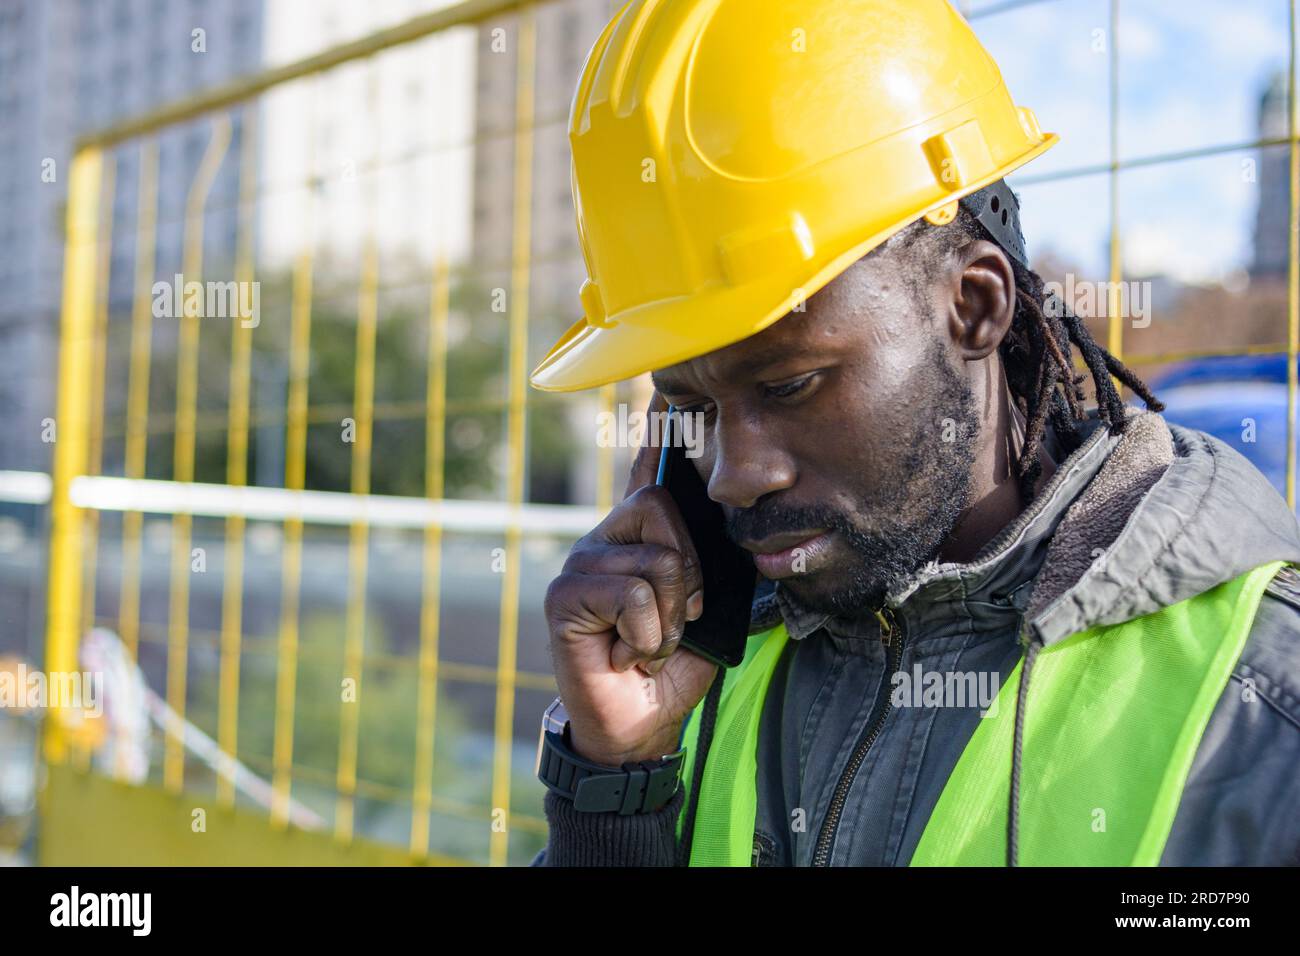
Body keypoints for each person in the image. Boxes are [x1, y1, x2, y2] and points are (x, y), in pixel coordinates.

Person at [527, 0, 1300, 866]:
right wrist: (616, 781)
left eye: (790, 383)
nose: (730, 477)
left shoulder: (1259, 711)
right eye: (692, 410)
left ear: (973, 305)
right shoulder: (699, 651)